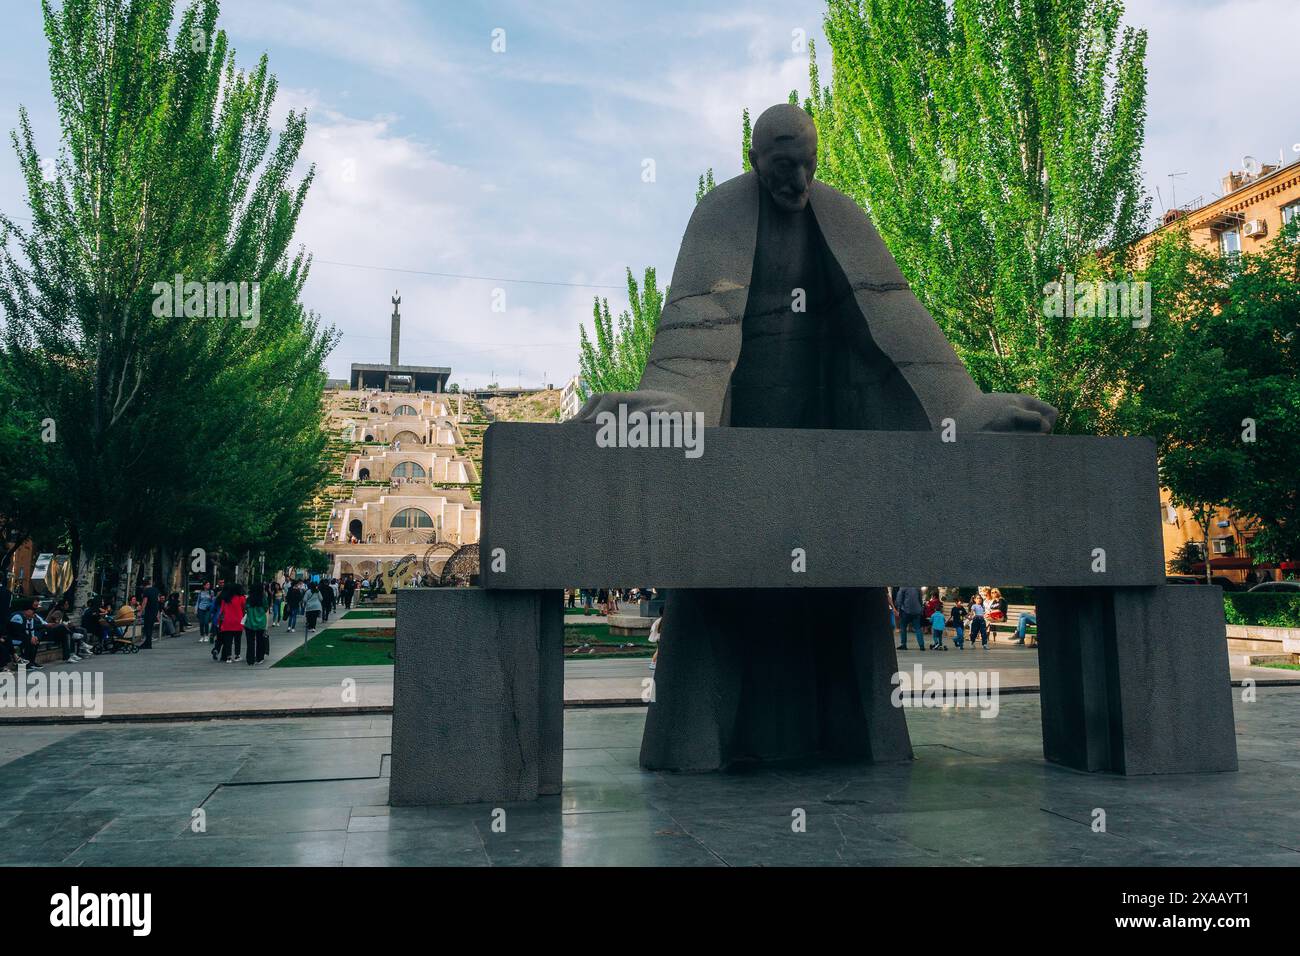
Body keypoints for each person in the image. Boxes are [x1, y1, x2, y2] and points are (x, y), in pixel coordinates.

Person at [7, 601, 44, 669]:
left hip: (18, 637)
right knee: (28, 641)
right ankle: (25, 665)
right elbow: (17, 632)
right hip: (11, 638)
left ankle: (31, 662)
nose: (33, 615)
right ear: (28, 611)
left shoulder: (27, 617)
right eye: (33, 613)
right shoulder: (17, 617)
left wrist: (33, 637)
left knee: (35, 641)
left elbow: (29, 630)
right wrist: (30, 638)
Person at [215, 583, 246, 663]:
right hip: (238, 622)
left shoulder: (225, 599)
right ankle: (237, 655)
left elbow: (221, 611)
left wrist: (219, 622)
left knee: (228, 641)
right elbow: (243, 609)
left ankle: (228, 657)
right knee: (237, 640)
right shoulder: (241, 598)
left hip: (227, 622)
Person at [894, 585, 926, 652]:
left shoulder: (903, 587)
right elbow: (920, 599)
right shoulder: (917, 587)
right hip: (917, 611)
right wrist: (921, 609)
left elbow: (899, 600)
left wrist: (898, 609)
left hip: (905, 611)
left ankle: (904, 644)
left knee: (903, 627)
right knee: (918, 628)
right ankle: (921, 645)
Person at [244, 584, 269, 666]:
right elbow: (266, 608)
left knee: (250, 642)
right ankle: (259, 657)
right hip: (261, 623)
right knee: (260, 641)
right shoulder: (263, 599)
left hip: (250, 623)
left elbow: (245, 608)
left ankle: (250, 659)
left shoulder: (248, 599)